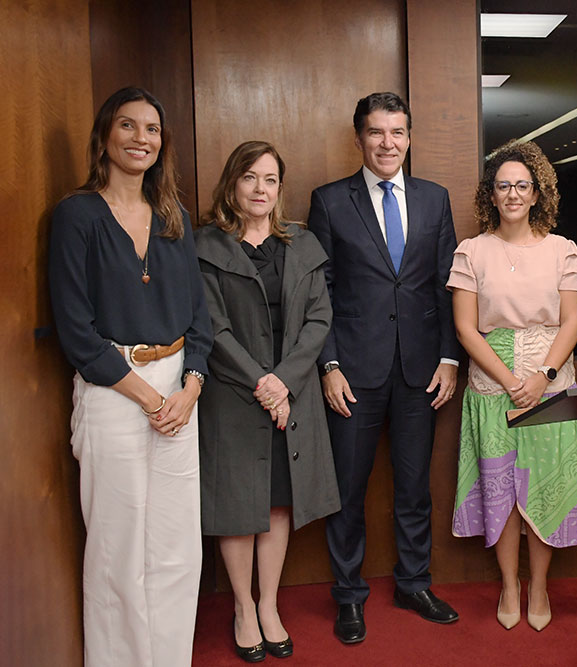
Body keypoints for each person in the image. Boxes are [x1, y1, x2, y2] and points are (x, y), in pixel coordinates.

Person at [48, 86, 211, 666]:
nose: (141, 138)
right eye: (128, 125)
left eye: (152, 129)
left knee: (176, 548)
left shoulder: (174, 218)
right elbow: (76, 332)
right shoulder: (77, 216)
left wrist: (190, 388)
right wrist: (150, 398)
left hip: (179, 391)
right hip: (114, 391)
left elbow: (199, 318)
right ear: (105, 136)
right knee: (117, 549)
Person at [308, 92, 461, 644]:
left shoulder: (434, 199)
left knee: (414, 487)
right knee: (348, 491)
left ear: (409, 138)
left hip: (421, 371)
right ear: (359, 139)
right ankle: (349, 595)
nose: (387, 143)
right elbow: (319, 291)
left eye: (397, 132)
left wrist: (449, 357)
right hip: (352, 370)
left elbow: (447, 284)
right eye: (376, 132)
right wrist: (328, 364)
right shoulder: (329, 201)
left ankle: (413, 583)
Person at [195, 141, 341, 661]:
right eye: (250, 177)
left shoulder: (302, 243)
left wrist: (284, 382)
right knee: (238, 506)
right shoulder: (206, 245)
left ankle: (269, 605)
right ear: (232, 183)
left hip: (292, 392)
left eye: (271, 179)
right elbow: (212, 327)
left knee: (278, 501)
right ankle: (242, 608)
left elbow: (319, 319)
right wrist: (263, 383)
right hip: (234, 394)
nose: (261, 189)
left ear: (281, 188)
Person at [449, 140, 577, 632]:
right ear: (491, 194)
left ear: (536, 194)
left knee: (545, 487)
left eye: (522, 186)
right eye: (503, 185)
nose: (512, 194)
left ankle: (540, 586)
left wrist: (542, 376)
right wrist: (512, 381)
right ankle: (510, 585)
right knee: (504, 493)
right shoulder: (471, 251)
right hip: (493, 387)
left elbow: (573, 321)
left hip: (551, 386)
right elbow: (466, 328)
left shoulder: (562, 249)